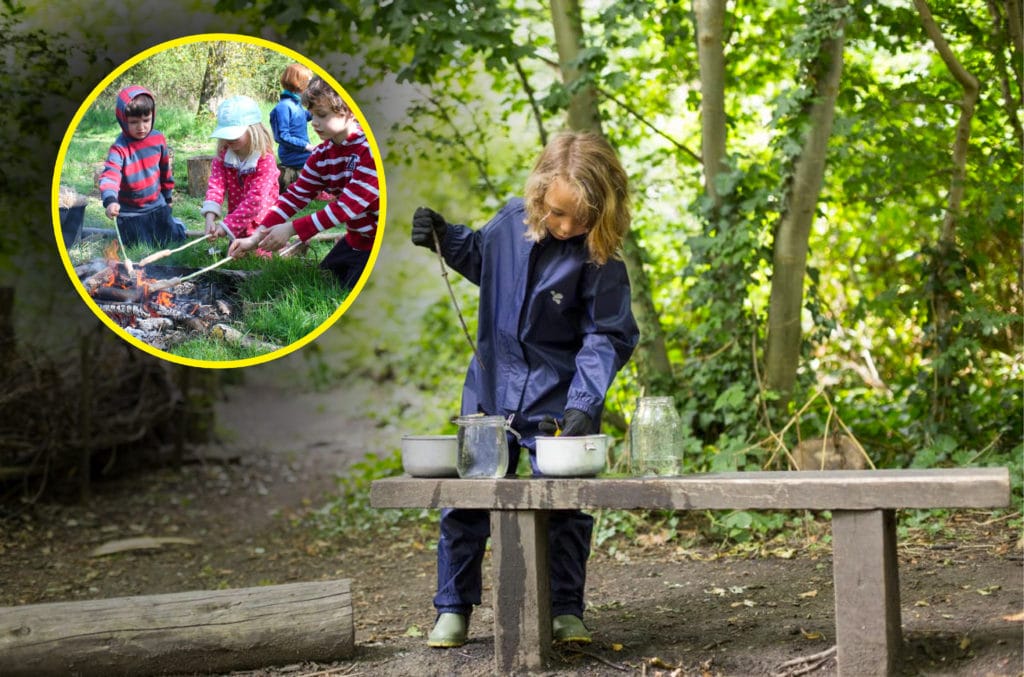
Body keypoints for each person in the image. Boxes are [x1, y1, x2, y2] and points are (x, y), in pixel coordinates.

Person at [409, 131, 639, 648]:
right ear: (539, 195)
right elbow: (483, 260)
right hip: (490, 392)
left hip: (560, 398)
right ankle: (452, 608)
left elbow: (608, 335)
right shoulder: (511, 221)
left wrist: (584, 402)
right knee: (467, 500)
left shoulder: (597, 256)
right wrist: (445, 236)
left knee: (562, 505)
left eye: (581, 217)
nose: (567, 226)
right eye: (557, 213)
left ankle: (564, 610)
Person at [229, 77, 380, 289]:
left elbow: (345, 208)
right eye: (312, 114)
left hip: (382, 240)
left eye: (322, 115)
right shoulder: (322, 154)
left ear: (349, 111)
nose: (314, 122)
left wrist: (291, 229)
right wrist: (255, 238)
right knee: (325, 281)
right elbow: (294, 197)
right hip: (356, 239)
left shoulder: (371, 151)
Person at [98, 85, 185, 247]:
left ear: (153, 116)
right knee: (139, 244)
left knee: (173, 238)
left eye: (146, 120)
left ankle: (175, 224)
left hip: (157, 206)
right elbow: (110, 175)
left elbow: (165, 172)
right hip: (131, 212)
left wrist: (168, 198)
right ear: (123, 121)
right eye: (134, 122)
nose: (141, 127)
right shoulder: (120, 148)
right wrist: (110, 201)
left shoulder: (158, 139)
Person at [201, 95, 280, 253]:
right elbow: (216, 186)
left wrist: (226, 226)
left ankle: (288, 249)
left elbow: (256, 200)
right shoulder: (223, 157)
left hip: (262, 225)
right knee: (235, 254)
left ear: (253, 130)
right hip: (237, 224)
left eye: (234, 134)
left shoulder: (265, 160)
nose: (228, 139)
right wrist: (210, 216)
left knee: (261, 257)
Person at [269, 63, 316, 194]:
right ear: (299, 85)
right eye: (308, 84)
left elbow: (302, 117)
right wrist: (306, 146)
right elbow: (282, 136)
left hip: (302, 151)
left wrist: (317, 110)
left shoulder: (296, 104)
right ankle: (315, 190)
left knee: (323, 154)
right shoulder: (283, 107)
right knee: (319, 158)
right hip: (291, 154)